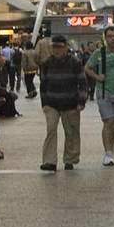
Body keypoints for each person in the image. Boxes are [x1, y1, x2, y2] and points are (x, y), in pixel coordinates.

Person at [85, 26, 114, 167]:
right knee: (109, 122)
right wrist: (97, 77)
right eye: (109, 36)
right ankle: (108, 153)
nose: (112, 39)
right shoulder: (99, 53)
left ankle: (109, 142)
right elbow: (87, 68)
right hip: (103, 93)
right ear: (105, 38)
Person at [38, 35, 87, 171]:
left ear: (66, 47)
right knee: (51, 130)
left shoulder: (75, 63)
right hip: (51, 103)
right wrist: (44, 103)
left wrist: (81, 102)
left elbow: (82, 83)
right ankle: (50, 161)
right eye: (54, 47)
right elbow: (43, 84)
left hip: (71, 103)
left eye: (59, 47)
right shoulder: (47, 63)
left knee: (71, 132)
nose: (56, 50)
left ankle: (70, 159)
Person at [21, 33, 41, 98]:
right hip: (34, 68)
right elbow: (37, 60)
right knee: (30, 80)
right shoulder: (35, 52)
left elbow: (24, 62)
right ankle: (33, 90)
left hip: (28, 69)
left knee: (27, 81)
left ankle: (30, 92)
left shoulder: (25, 53)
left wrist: (23, 68)